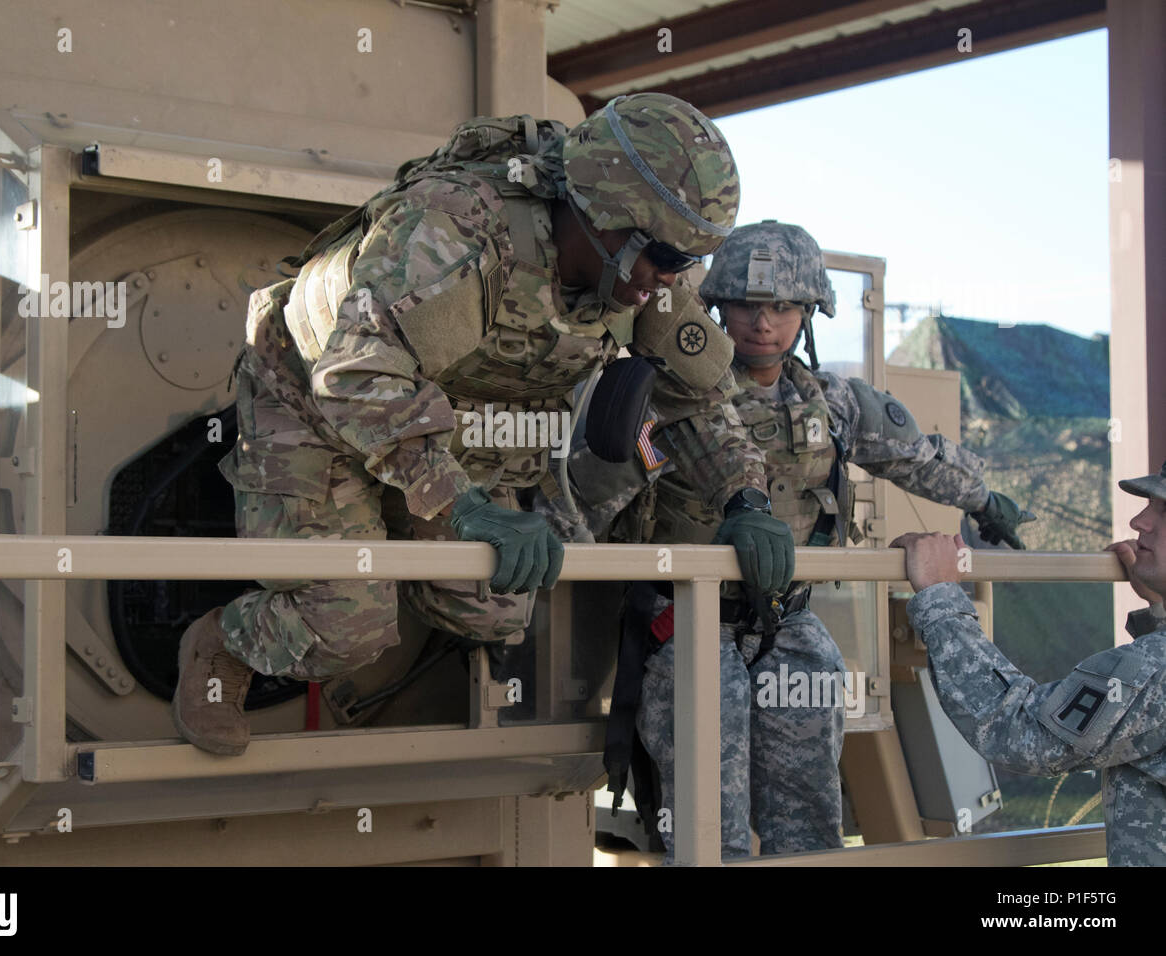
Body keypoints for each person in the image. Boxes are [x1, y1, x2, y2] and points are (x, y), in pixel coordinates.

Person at [171, 93, 749, 755]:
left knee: (496, 606)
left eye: (688, 264)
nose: (673, 281)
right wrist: (463, 507)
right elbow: (358, 377)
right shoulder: (453, 230)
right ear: (608, 219)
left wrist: (745, 496)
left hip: (432, 420)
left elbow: (699, 399)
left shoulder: (643, 273)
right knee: (347, 626)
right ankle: (223, 645)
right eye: (671, 260)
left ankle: (377, 526)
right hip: (315, 397)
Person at [572, 220, 1031, 860]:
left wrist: (986, 502)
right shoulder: (669, 397)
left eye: (784, 307)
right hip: (688, 623)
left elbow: (917, 457)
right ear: (717, 309)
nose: (765, 323)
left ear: (809, 313)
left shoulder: (831, 403)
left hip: (790, 620)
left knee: (811, 826)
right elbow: (589, 500)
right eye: (748, 306)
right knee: (709, 831)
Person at [893, 460, 1166, 866]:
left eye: (1163, 511)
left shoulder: (1154, 669)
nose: (1139, 520)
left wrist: (940, 596)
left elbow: (1020, 732)